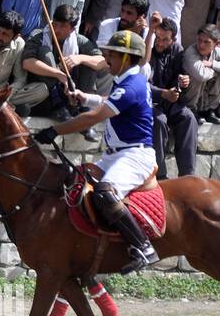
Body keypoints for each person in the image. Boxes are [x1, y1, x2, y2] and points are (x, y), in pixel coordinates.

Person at [34, 30, 158, 274]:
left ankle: (143, 246)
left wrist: (56, 130)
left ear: (125, 58)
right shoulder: (125, 81)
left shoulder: (132, 85)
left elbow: (94, 117)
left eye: (111, 54)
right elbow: (107, 101)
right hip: (117, 154)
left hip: (135, 156)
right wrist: (85, 97)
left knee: (104, 192)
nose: (106, 57)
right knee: (75, 179)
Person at [146, 15, 197, 179]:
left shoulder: (177, 51)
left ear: (173, 39)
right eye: (158, 38)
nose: (160, 43)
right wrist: (163, 93)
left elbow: (178, 76)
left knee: (188, 118)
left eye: (165, 40)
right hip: (150, 101)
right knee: (159, 121)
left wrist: (182, 82)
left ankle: (187, 175)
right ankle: (160, 175)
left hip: (169, 100)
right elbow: (142, 83)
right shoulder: (148, 50)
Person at [183, 24, 220, 124]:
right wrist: (218, 70)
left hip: (206, 98)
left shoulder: (218, 52)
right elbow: (201, 75)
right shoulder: (191, 52)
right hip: (189, 99)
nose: (201, 45)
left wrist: (213, 64)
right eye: (199, 40)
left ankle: (209, 111)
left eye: (206, 42)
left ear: (216, 43)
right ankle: (192, 110)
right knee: (199, 77)